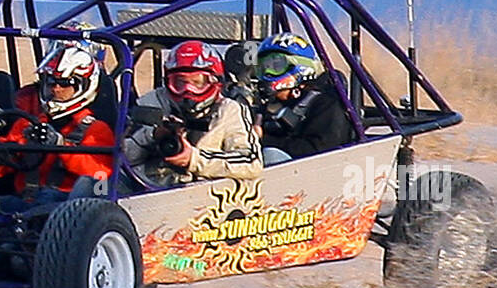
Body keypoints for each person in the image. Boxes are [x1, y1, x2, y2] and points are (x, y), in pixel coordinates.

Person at [0, 39, 115, 213]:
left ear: (83, 85)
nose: (56, 89)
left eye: (65, 83)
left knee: (50, 198)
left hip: (67, 207)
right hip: (26, 201)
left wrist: (61, 146)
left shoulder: (95, 129)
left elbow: (100, 175)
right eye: (51, 82)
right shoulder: (29, 123)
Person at [124, 40, 262, 187]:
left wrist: (193, 159)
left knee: (273, 155)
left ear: (215, 81)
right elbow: (122, 156)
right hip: (147, 187)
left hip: (208, 194)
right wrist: (153, 135)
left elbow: (251, 163)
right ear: (167, 81)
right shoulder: (152, 102)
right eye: (179, 83)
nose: (188, 91)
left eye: (197, 82)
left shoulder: (230, 110)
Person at [254, 33, 356, 163]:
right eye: (264, 67)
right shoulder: (273, 105)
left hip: (322, 174)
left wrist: (263, 138)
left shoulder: (326, 105)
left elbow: (318, 150)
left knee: (271, 156)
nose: (268, 74)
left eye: (276, 67)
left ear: (300, 68)